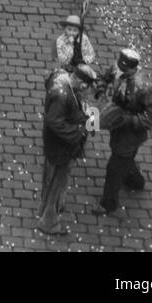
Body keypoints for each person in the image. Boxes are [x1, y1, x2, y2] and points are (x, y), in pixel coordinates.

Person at [93, 48, 152, 216]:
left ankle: (108, 203)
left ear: (135, 68)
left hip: (131, 132)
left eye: (127, 70)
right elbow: (103, 78)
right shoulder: (117, 69)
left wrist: (132, 120)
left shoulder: (145, 88)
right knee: (124, 155)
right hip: (118, 122)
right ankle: (134, 180)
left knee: (115, 166)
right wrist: (101, 90)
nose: (121, 71)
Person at [38, 61, 95, 235]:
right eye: (84, 85)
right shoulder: (63, 96)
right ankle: (49, 221)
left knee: (52, 177)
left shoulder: (59, 78)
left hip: (57, 144)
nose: (85, 89)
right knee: (56, 180)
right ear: (76, 79)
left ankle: (49, 206)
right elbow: (54, 122)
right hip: (60, 146)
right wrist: (78, 132)